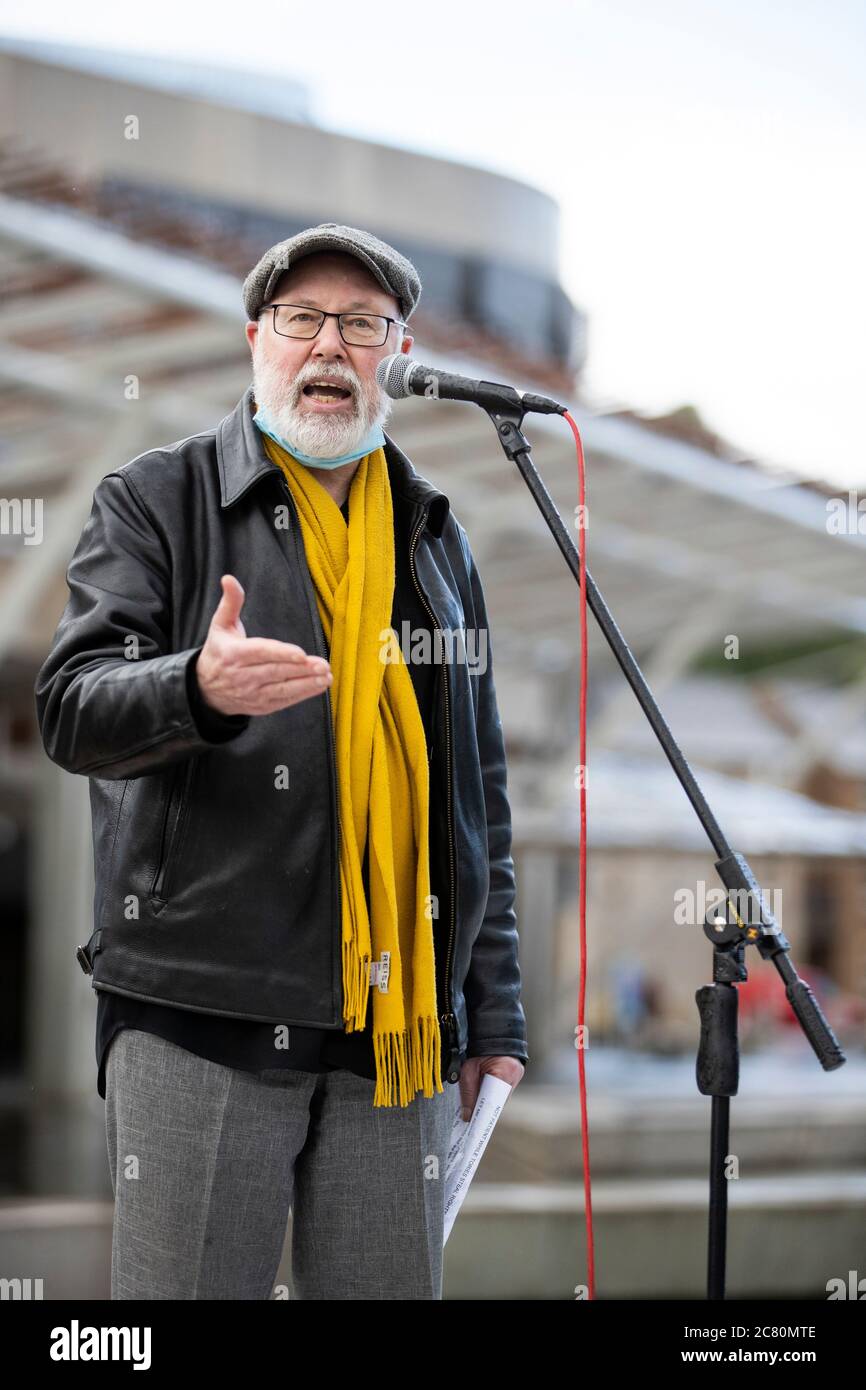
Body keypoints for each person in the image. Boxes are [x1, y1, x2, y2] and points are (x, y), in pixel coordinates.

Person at [34, 221, 529, 1300]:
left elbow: (475, 795)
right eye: (302, 319)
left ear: (394, 352)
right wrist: (193, 690)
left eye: (362, 325)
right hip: (202, 1013)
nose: (329, 348)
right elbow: (70, 710)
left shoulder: (434, 538)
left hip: (399, 1038)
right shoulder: (155, 500)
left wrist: (492, 1013)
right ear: (255, 340)